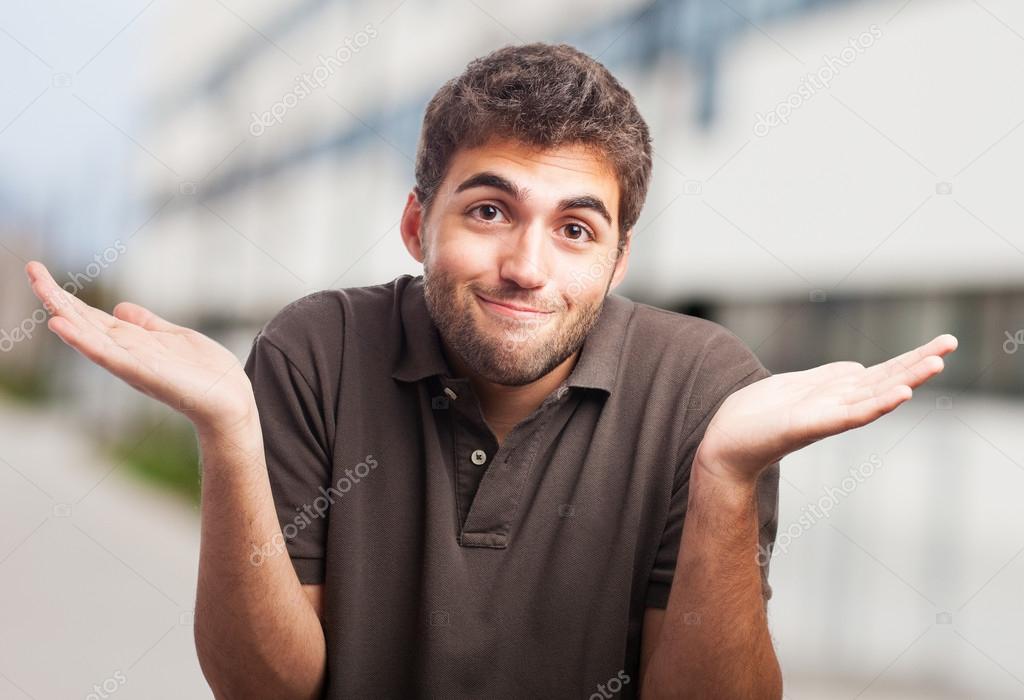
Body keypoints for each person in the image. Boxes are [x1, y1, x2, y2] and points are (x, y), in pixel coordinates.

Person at [24, 42, 957, 700]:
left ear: (618, 260)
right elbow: (267, 689)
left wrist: (726, 477)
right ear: (415, 224)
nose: (527, 267)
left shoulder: (706, 391)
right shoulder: (316, 348)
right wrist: (228, 432)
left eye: (576, 228)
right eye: (489, 212)